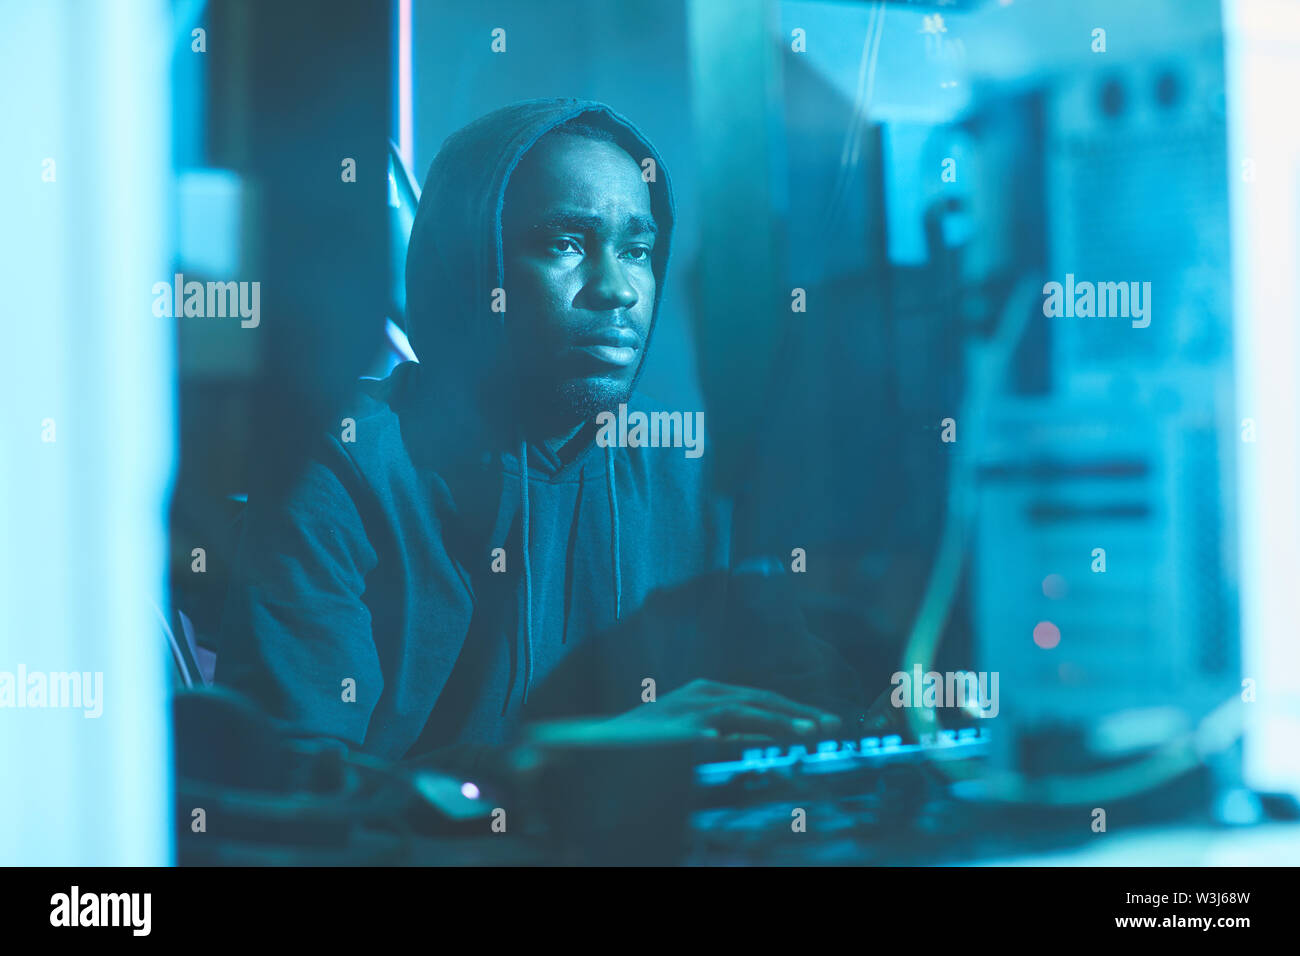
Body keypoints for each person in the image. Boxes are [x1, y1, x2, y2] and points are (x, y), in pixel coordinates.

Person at [217, 98, 863, 773]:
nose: (616, 290)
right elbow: (288, 790)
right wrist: (578, 760)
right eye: (565, 244)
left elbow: (811, 712)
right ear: (470, 266)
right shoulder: (339, 466)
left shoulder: (687, 471)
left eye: (637, 249)